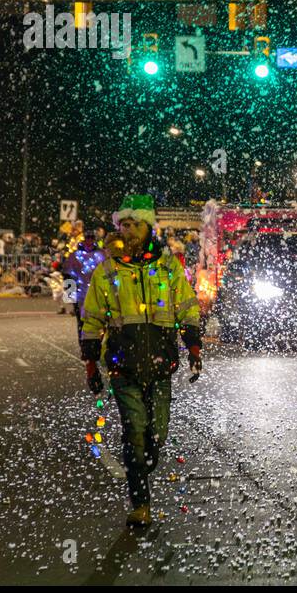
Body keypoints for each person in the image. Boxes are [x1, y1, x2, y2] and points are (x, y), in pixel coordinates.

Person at [79, 194, 203, 529]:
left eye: (133, 224)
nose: (127, 230)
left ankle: (142, 461)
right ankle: (140, 504)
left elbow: (187, 306)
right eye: (123, 225)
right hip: (123, 367)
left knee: (155, 436)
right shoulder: (107, 270)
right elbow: (91, 319)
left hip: (161, 366)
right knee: (135, 430)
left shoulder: (167, 266)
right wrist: (91, 364)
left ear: (148, 226)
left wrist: (193, 345)